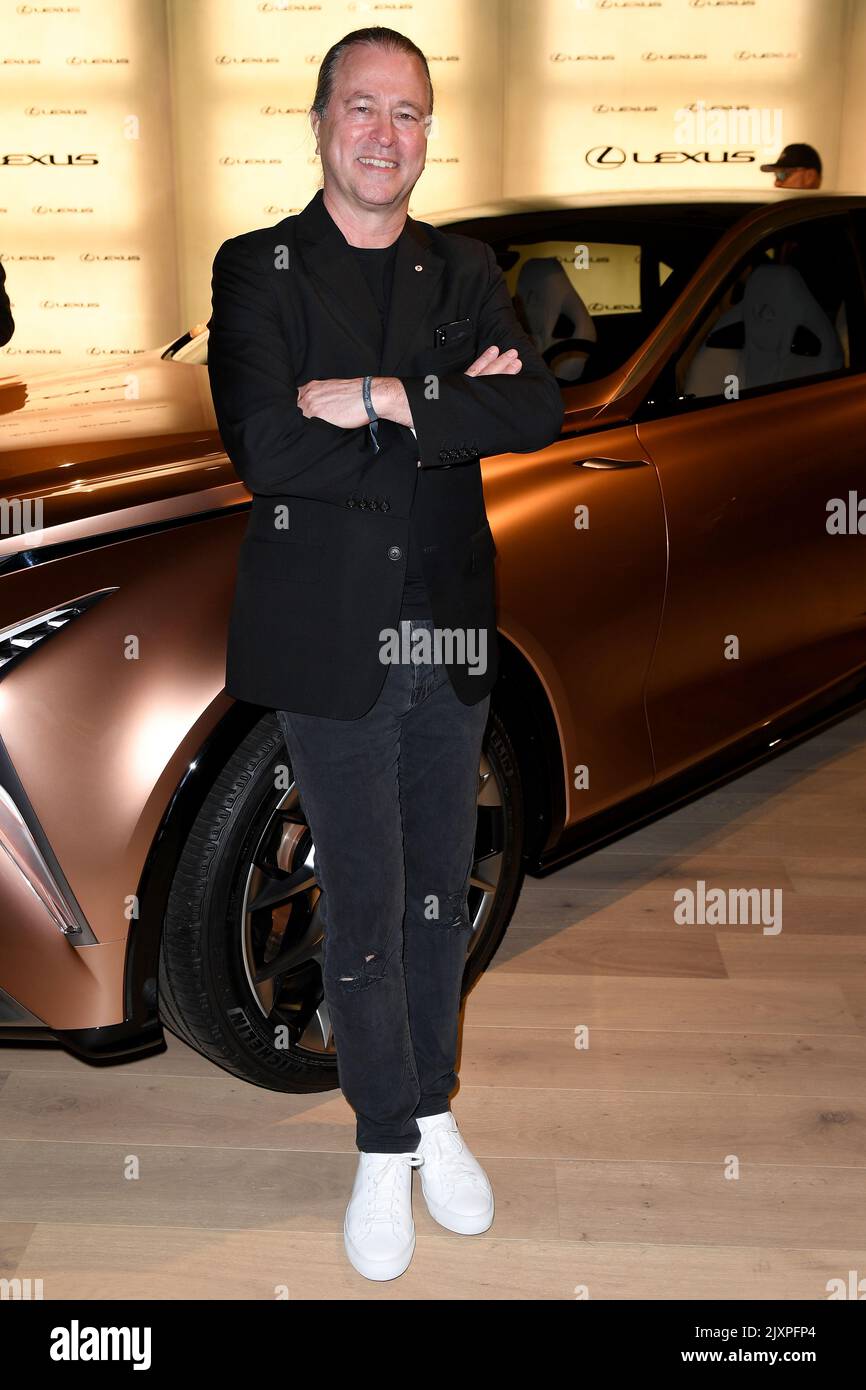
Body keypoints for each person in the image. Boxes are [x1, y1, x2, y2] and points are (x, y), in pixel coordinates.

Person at [206, 25, 564, 1283]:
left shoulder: (463, 266)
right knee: (362, 894)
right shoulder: (260, 269)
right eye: (361, 109)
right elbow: (265, 448)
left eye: (407, 113)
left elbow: (532, 408)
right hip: (331, 641)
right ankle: (379, 1141)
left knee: (436, 886)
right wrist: (440, 405)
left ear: (426, 132)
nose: (384, 134)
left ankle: (432, 1109)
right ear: (318, 122)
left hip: (449, 629)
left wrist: (370, 396)